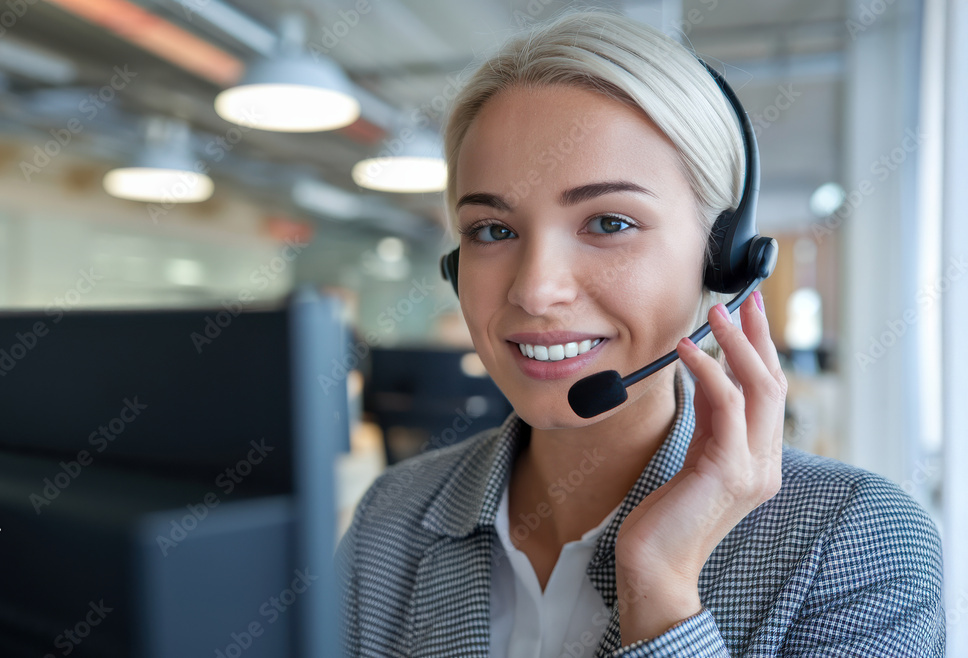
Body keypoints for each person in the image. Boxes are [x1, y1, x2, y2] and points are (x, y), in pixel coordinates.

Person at [335, 10, 944, 657]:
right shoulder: (391, 518)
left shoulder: (855, 540)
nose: (536, 290)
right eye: (493, 230)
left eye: (609, 223)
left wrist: (660, 588)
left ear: (721, 257)